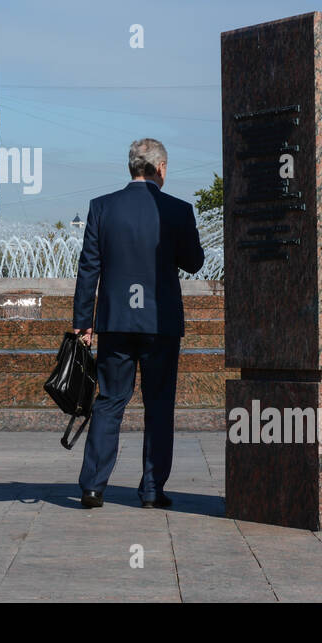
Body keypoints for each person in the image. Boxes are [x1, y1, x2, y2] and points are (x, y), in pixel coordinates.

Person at [72, 138, 205, 509]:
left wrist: (83, 322)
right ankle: (150, 490)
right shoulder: (177, 210)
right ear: (160, 169)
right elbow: (194, 263)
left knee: (110, 400)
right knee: (159, 405)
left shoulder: (102, 208)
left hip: (114, 322)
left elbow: (88, 270)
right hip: (159, 323)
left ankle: (93, 487)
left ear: (132, 167)